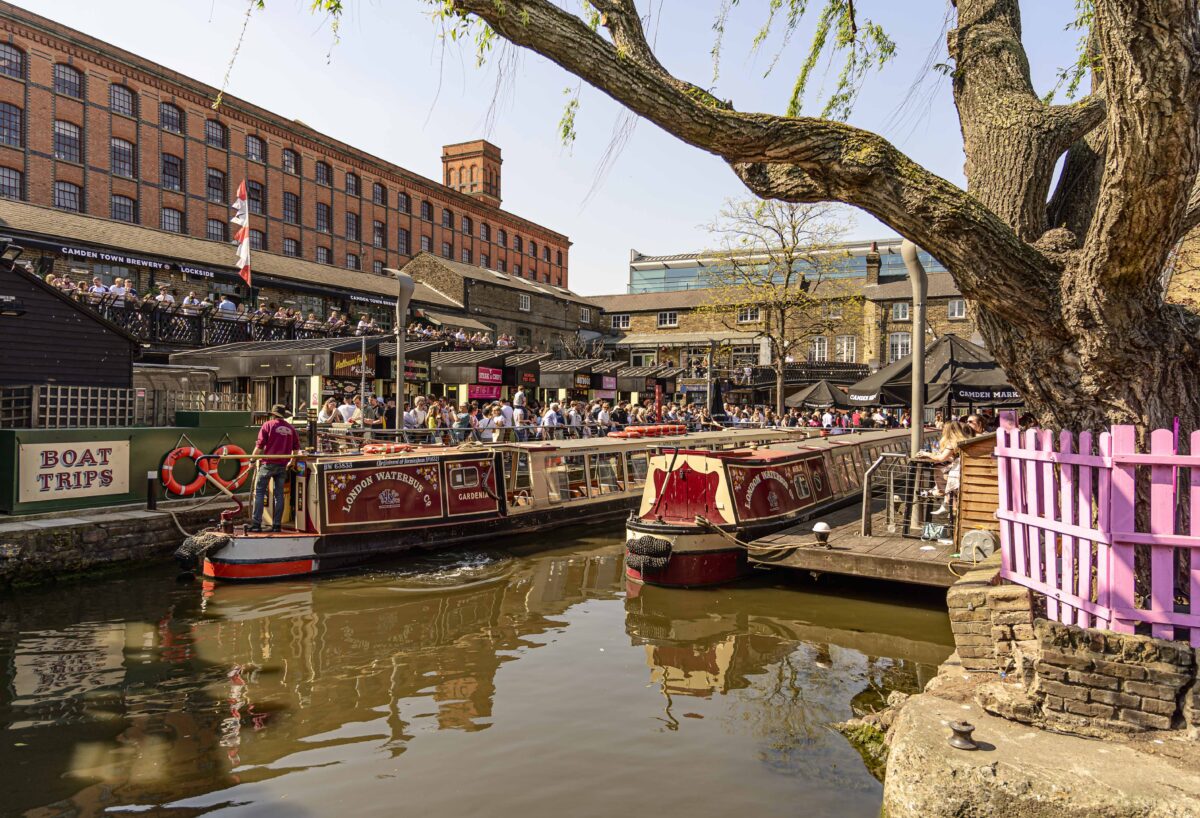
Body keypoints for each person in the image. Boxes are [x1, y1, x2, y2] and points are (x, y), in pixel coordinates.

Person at [250, 404, 300, 532]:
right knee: (279, 495)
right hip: (282, 465)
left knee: (259, 492)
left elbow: (259, 446)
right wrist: (292, 461)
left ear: (273, 415)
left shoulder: (268, 425)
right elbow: (296, 449)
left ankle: (256, 525)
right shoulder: (291, 428)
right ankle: (277, 525)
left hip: (268, 464)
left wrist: (252, 460)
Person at [915, 420, 969, 517]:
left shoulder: (951, 442)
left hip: (956, 471)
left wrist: (926, 454)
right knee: (955, 495)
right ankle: (946, 506)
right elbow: (956, 457)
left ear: (947, 430)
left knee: (952, 493)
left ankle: (951, 512)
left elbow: (941, 458)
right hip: (963, 469)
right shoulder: (963, 440)